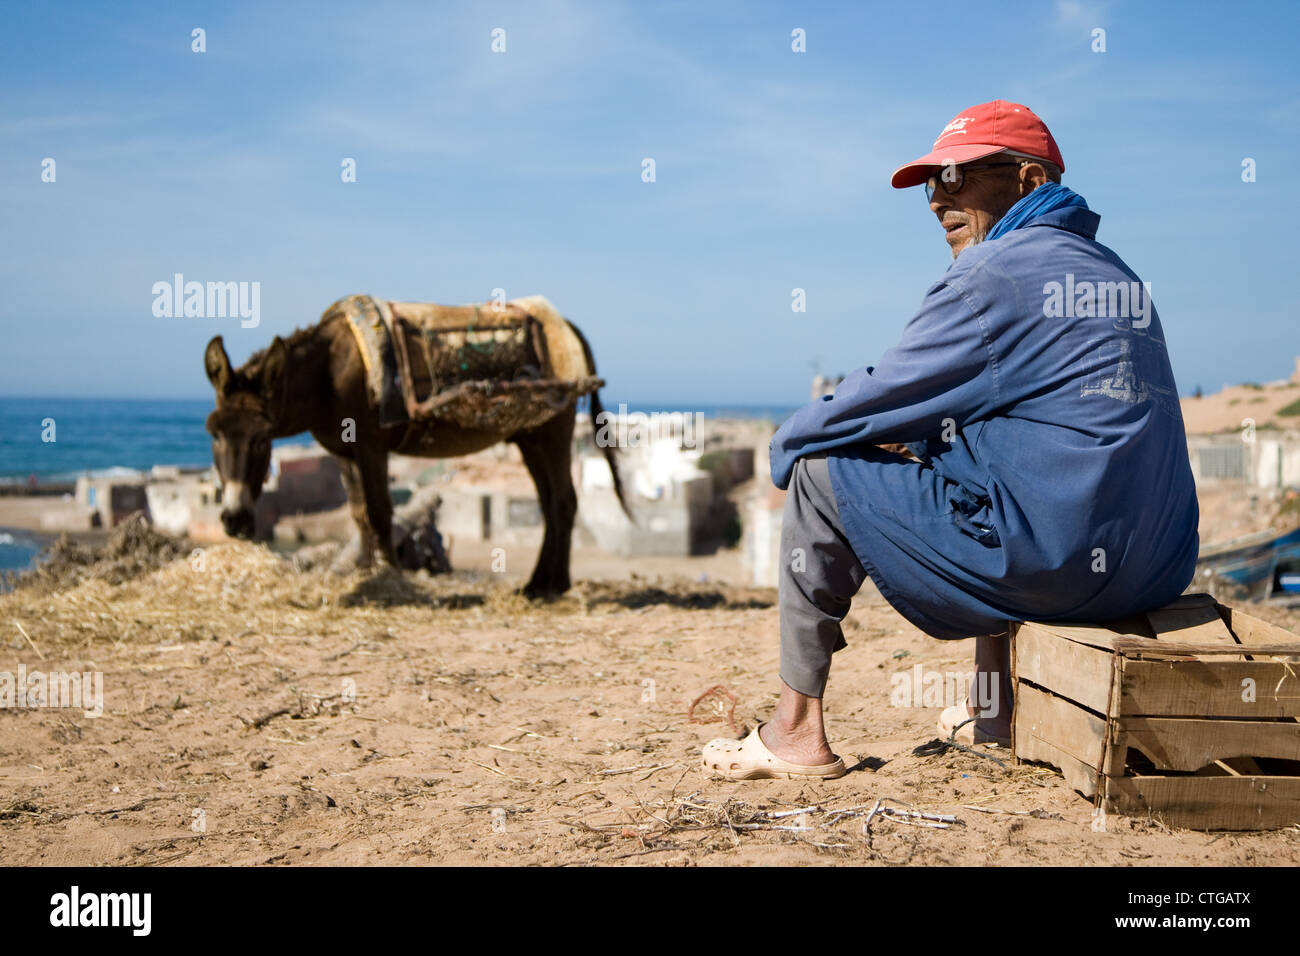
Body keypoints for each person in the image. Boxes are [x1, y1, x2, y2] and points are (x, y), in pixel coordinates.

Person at [702, 100, 1198, 780]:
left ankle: (794, 732)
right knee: (972, 448)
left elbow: (882, 393)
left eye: (957, 177)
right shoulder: (1117, 275)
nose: (938, 199)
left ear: (1028, 181)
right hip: (1153, 572)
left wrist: (785, 447)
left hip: (1061, 567)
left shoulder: (995, 274)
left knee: (821, 473)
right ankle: (993, 713)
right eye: (932, 184)